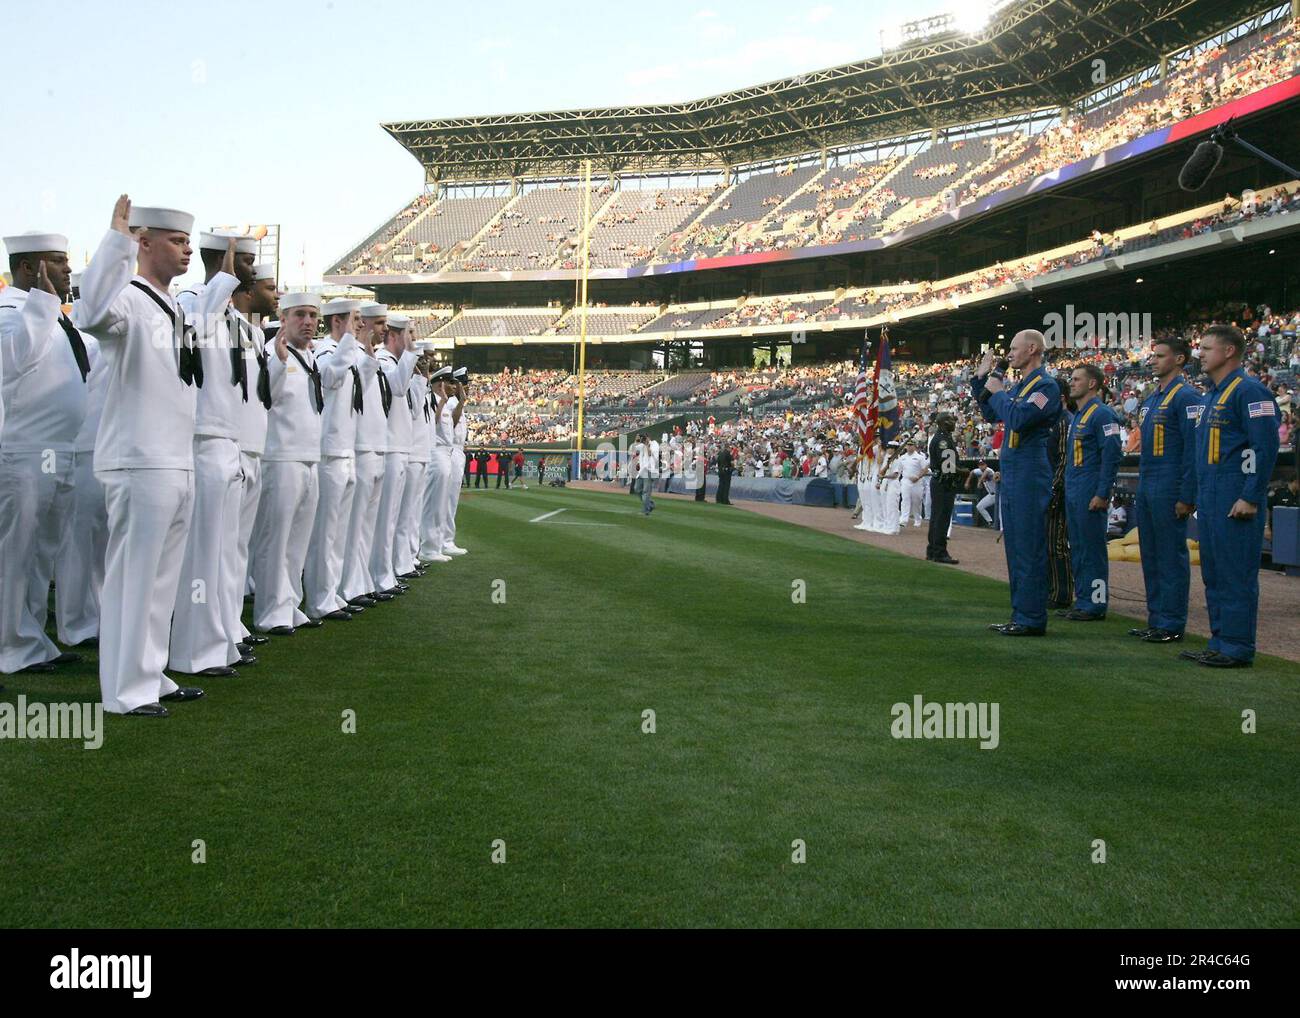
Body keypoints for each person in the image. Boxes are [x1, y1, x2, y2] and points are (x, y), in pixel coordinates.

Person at [72, 197, 207, 716]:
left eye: (189, 243)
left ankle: (149, 674)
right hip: (140, 459)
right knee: (133, 578)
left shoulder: (171, 305)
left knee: (161, 581)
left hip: (174, 458)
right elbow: (90, 313)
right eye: (176, 241)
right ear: (144, 243)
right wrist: (114, 243)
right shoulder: (127, 297)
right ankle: (125, 691)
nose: (186, 250)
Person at [0, 230, 90, 676]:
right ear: (29, 267)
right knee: (16, 553)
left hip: (59, 449)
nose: (68, 268)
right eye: (57, 261)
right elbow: (15, 360)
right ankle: (11, 646)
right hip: (24, 450)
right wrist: (41, 304)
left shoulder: (51, 314)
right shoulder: (10, 310)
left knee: (41, 552)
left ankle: (31, 640)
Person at [169, 232, 251, 678]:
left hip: (226, 439)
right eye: (245, 261)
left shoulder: (225, 309)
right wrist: (221, 282)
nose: (251, 271)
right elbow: (193, 336)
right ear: (224, 260)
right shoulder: (191, 297)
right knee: (200, 556)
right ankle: (191, 650)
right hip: (201, 439)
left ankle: (217, 641)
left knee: (220, 554)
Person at [1181, 324, 1280, 668]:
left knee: (1235, 574)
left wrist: (1251, 496)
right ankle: (1219, 641)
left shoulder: (1251, 391)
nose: (1200, 354)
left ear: (1228, 352)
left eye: (1206, 348)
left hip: (1234, 494)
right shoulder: (1210, 395)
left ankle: (1236, 647)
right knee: (1214, 573)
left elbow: (1264, 447)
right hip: (1210, 496)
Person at [972, 331, 1062, 636]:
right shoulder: (1023, 386)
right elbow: (991, 412)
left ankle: (1032, 617)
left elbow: (1019, 419)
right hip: (1014, 473)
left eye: (1014, 348)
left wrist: (998, 391)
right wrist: (980, 380)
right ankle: (1021, 614)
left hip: (1029, 472)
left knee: (1029, 547)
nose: (1009, 354)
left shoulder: (1046, 386)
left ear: (1032, 349)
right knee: (1015, 547)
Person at [251, 291, 324, 635]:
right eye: (299, 315)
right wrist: (278, 362)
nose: (308, 321)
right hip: (281, 456)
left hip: (308, 456)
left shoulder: (310, 357)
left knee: (298, 541)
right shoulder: (272, 352)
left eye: (312, 315)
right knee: (275, 539)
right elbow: (267, 397)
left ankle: (289, 602)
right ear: (283, 318)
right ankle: (269, 609)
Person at [1132, 338, 1199, 643]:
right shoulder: (1151, 399)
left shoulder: (1186, 397)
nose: (1153, 360)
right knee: (1151, 554)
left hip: (1169, 483)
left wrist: (1187, 494)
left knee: (1170, 555)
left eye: (1160, 356)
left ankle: (1172, 623)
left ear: (1180, 359)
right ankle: (1156, 618)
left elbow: (1192, 448)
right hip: (1148, 482)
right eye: (1153, 355)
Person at [303, 298, 363, 621]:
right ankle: (318, 599)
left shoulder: (346, 353)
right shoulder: (327, 352)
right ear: (338, 321)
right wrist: (350, 340)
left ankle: (332, 592)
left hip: (345, 450)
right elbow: (329, 378)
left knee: (337, 533)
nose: (360, 325)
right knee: (324, 533)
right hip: (329, 452)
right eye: (354, 319)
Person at [1061, 364, 1122, 621]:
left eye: (1077, 379)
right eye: (1071, 379)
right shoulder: (1079, 415)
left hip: (1089, 489)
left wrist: (1102, 492)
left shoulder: (1103, 414)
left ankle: (1095, 604)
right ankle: (1083, 599)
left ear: (1092, 384)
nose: (1072, 383)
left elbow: (1111, 455)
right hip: (1074, 488)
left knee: (1093, 549)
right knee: (1078, 547)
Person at [341, 302, 391, 603]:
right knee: (352, 525)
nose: (383, 329)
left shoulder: (366, 355)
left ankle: (360, 581)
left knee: (365, 525)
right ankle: (348, 586)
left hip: (373, 445)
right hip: (357, 446)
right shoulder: (349, 355)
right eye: (379, 323)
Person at [370, 313, 418, 595]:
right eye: (408, 334)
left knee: (391, 518)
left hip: (399, 446)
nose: (412, 340)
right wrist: (410, 357)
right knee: (384, 520)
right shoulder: (384, 361)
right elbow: (398, 389)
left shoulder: (393, 363)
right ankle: (380, 575)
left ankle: (385, 572)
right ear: (395, 335)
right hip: (388, 447)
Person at [1045, 374, 1073, 610]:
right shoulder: (1050, 421)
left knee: (1056, 543)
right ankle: (1050, 589)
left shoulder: (1064, 421)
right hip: (1047, 489)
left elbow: (1064, 459)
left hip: (1059, 491)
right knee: (1046, 543)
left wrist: (1054, 489)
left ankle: (1061, 593)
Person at [925, 412, 961, 563]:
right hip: (944, 482)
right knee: (942, 518)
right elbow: (948, 466)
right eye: (951, 420)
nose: (954, 423)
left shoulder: (941, 437)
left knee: (936, 517)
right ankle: (940, 552)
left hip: (939, 481)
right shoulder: (943, 440)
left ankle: (932, 550)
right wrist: (964, 471)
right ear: (944, 422)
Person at [897, 440, 929, 527]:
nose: (909, 447)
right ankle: (903, 519)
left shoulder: (920, 457)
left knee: (916, 501)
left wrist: (918, 477)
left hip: (917, 481)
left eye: (911, 445)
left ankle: (917, 518)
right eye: (908, 445)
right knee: (905, 499)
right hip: (906, 480)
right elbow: (899, 470)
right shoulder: (902, 457)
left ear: (915, 446)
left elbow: (925, 469)